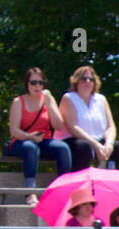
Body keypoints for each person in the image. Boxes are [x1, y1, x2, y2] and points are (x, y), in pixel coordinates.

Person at [6, 67, 71, 203]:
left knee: (63, 148)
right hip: (22, 141)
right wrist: (31, 136)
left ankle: (63, 189)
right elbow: (14, 131)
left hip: (44, 140)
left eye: (40, 83)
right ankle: (30, 192)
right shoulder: (19, 102)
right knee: (31, 148)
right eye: (33, 82)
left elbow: (59, 126)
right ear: (27, 84)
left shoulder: (48, 99)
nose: (37, 86)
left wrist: (49, 103)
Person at [60, 65, 119, 175]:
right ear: (76, 81)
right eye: (84, 79)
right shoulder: (69, 98)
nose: (88, 81)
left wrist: (109, 144)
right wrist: (95, 145)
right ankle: (79, 187)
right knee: (84, 147)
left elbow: (110, 126)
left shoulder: (101, 99)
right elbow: (73, 127)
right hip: (75, 141)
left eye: (91, 79)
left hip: (99, 141)